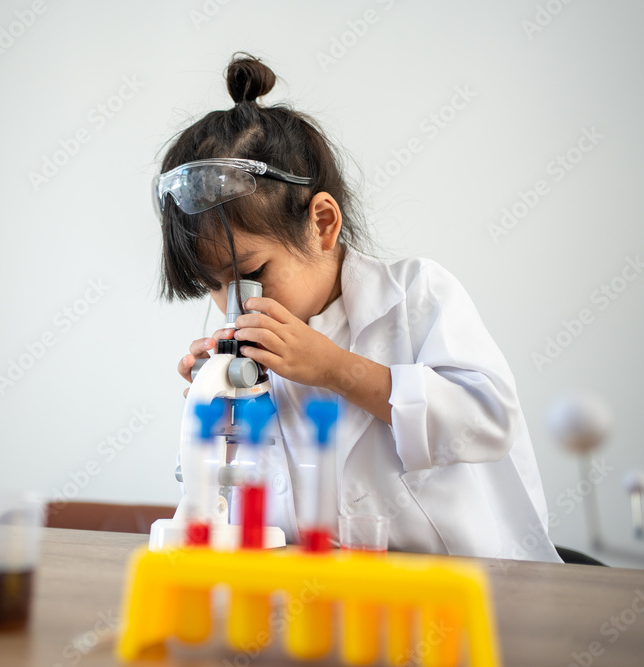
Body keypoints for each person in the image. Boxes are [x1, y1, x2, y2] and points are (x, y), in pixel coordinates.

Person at [154, 54, 560, 562]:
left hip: (460, 595)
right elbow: (230, 504)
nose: (232, 304)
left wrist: (336, 369)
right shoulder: (255, 363)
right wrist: (216, 424)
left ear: (322, 223)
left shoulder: (415, 296)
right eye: (212, 285)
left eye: (251, 274)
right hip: (314, 603)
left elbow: (488, 419)